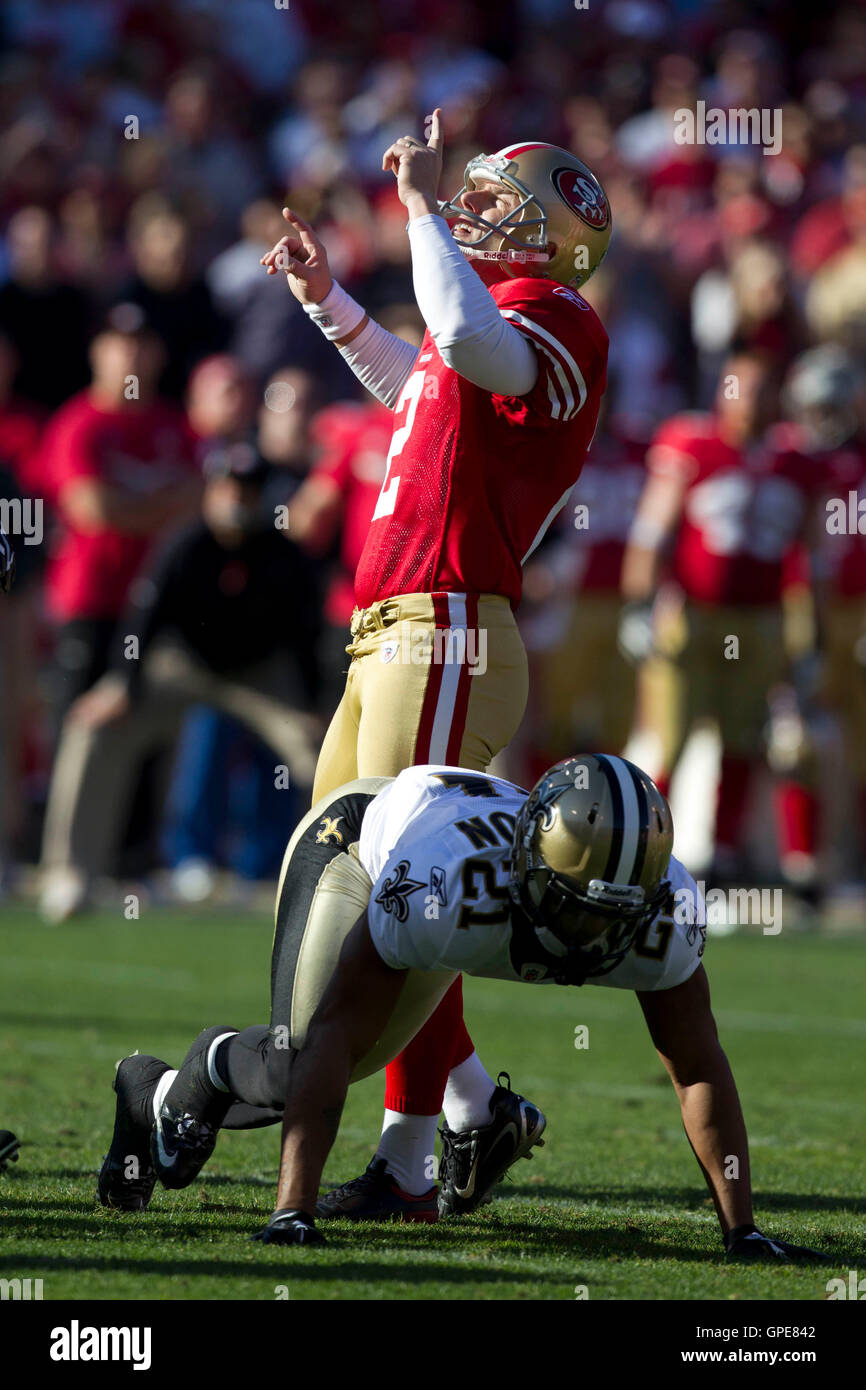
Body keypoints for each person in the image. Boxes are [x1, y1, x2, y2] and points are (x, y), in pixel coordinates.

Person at [251, 113, 612, 1216]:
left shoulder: (554, 318)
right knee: (333, 882)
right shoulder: (490, 315)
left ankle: (406, 1158)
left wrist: (413, 209)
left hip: (450, 626)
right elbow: (418, 386)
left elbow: (460, 345)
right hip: (392, 627)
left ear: (559, 242)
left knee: (389, 896)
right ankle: (468, 1107)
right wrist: (327, 304)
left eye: (511, 202)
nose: (482, 206)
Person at [98, 754, 824, 1263]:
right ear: (530, 871)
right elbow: (338, 1032)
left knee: (348, 1049)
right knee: (304, 1062)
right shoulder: (446, 891)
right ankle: (174, 1079)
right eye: (577, 913)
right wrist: (293, 1215)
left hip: (447, 853)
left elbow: (697, 1067)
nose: (593, 938)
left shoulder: (667, 916)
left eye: (615, 920)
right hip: (361, 842)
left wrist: (743, 1231)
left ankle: (473, 1117)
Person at [38, 446, 322, 921]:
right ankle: (69, 875)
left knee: (323, 754)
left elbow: (306, 637)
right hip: (183, 668)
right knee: (94, 730)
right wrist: (120, 685)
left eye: (249, 490)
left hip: (260, 678)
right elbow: (142, 618)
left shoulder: (285, 556)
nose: (237, 498)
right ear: (212, 489)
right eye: (229, 486)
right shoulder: (184, 543)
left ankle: (339, 889)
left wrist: (314, 706)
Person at [620, 349, 830, 885]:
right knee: (672, 737)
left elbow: (814, 558)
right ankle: (644, 856)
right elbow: (652, 531)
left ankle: (726, 856)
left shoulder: (799, 461)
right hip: (691, 616)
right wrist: (640, 604)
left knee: (743, 740)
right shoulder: (693, 444)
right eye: (743, 388)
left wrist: (814, 640)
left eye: (762, 389)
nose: (750, 401)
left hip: (759, 622)